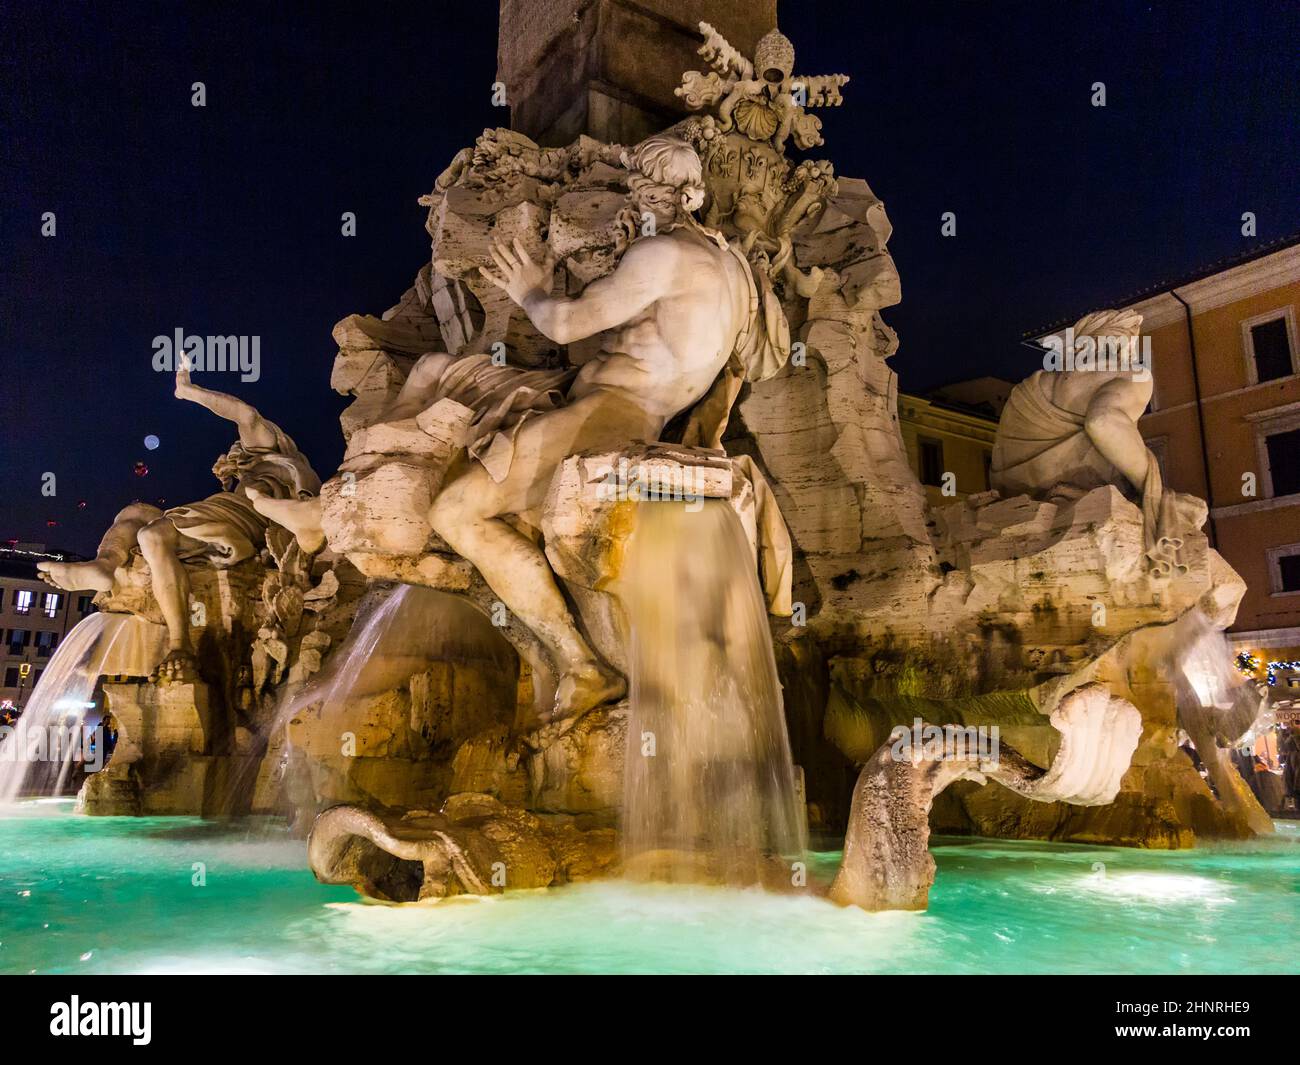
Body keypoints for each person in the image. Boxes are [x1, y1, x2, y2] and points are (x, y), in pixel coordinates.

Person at [37, 363, 319, 681]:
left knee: (153, 536)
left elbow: (246, 414)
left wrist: (189, 391)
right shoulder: (249, 474)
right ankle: (104, 565)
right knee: (135, 512)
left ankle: (179, 643)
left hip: (238, 526)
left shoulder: (273, 459)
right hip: (213, 514)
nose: (234, 455)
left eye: (237, 452)